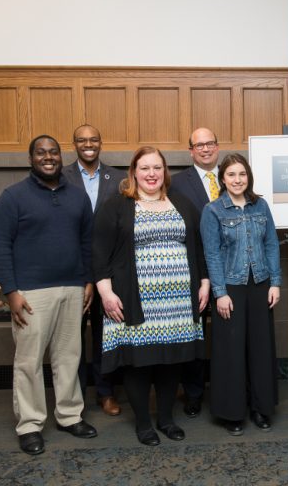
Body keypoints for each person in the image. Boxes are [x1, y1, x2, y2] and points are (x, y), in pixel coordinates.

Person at [0, 135, 97, 455]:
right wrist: (11, 291)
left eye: (53, 152)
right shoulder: (12, 197)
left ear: (60, 157)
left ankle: (69, 415)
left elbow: (87, 243)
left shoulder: (78, 198)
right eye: (41, 153)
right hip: (31, 293)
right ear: (31, 158)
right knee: (29, 361)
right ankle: (30, 424)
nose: (48, 157)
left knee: (69, 356)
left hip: (73, 288)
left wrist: (87, 280)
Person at [92, 146, 209, 446]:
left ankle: (166, 420)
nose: (151, 174)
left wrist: (205, 282)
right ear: (133, 172)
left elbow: (198, 246)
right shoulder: (116, 205)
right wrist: (105, 292)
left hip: (177, 302)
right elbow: (99, 253)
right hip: (134, 299)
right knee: (138, 362)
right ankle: (144, 423)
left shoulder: (181, 203)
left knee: (171, 361)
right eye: (145, 168)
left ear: (165, 171)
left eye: (157, 168)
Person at [200, 153, 282, 435]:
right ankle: (232, 412)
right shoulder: (213, 211)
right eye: (232, 175)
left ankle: (261, 409)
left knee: (261, 349)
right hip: (230, 288)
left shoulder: (261, 207)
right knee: (231, 351)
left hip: (260, 284)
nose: (238, 180)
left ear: (249, 177)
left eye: (242, 174)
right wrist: (220, 293)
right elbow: (211, 254)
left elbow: (272, 244)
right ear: (223, 178)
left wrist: (275, 282)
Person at [63, 124, 126, 417]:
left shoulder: (120, 178)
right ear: (74, 144)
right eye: (82, 140)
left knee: (105, 334)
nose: (88, 144)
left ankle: (105, 393)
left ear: (101, 143)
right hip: (71, 269)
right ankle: (73, 398)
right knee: (71, 337)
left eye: (93, 139)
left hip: (108, 270)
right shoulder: (61, 176)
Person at [169, 126, 220, 418]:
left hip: (230, 269)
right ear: (190, 151)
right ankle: (193, 393)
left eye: (210, 143)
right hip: (193, 268)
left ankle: (229, 387)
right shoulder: (176, 184)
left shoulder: (233, 175)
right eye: (198, 145)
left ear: (217, 146)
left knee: (228, 332)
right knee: (194, 332)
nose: (205, 149)